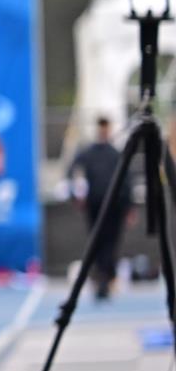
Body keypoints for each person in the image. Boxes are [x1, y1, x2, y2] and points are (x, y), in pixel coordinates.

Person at [69, 115, 130, 299]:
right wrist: (76, 195)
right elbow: (72, 172)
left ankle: (107, 278)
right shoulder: (89, 153)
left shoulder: (115, 154)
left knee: (110, 242)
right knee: (97, 241)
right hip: (95, 204)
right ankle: (100, 277)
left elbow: (126, 180)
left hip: (114, 205)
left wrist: (129, 205)